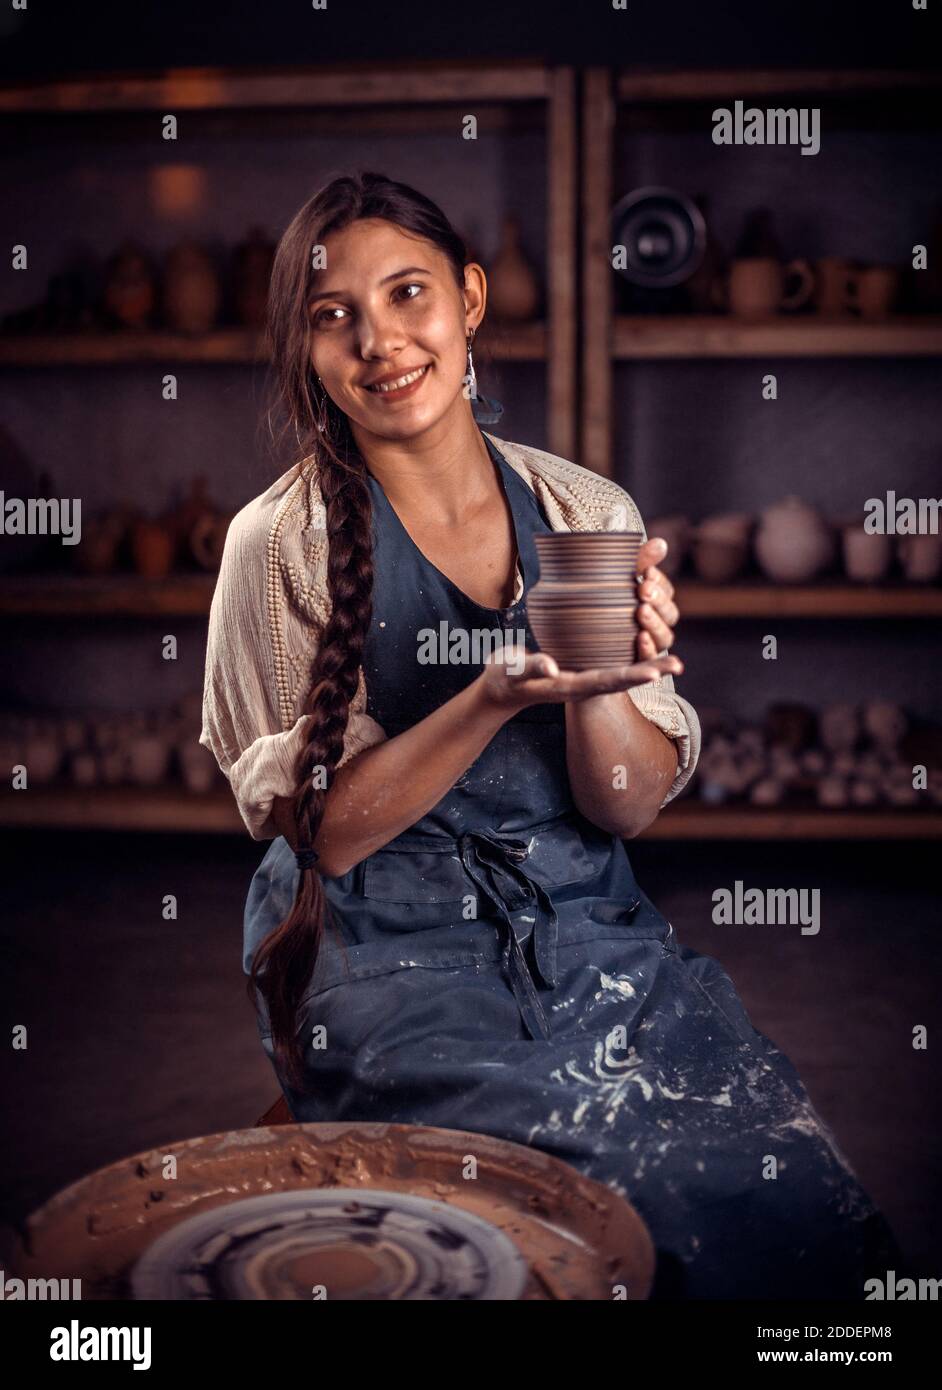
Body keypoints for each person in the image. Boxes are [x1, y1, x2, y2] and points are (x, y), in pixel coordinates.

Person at [199, 170, 899, 1299]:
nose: (379, 341)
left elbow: (621, 805)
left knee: (790, 1212)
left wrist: (593, 683)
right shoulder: (275, 544)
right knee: (583, 1209)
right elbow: (323, 840)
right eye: (335, 316)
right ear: (307, 348)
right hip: (387, 953)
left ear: (470, 299)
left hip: (586, 930)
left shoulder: (588, 515)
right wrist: (491, 694)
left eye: (408, 293)